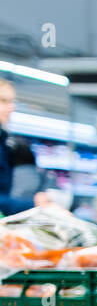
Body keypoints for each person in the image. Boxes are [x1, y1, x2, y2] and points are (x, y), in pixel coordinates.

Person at [0, 78, 39, 217]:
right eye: (4, 101)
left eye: (12, 101)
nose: (12, 107)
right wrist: (33, 203)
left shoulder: (4, 141)